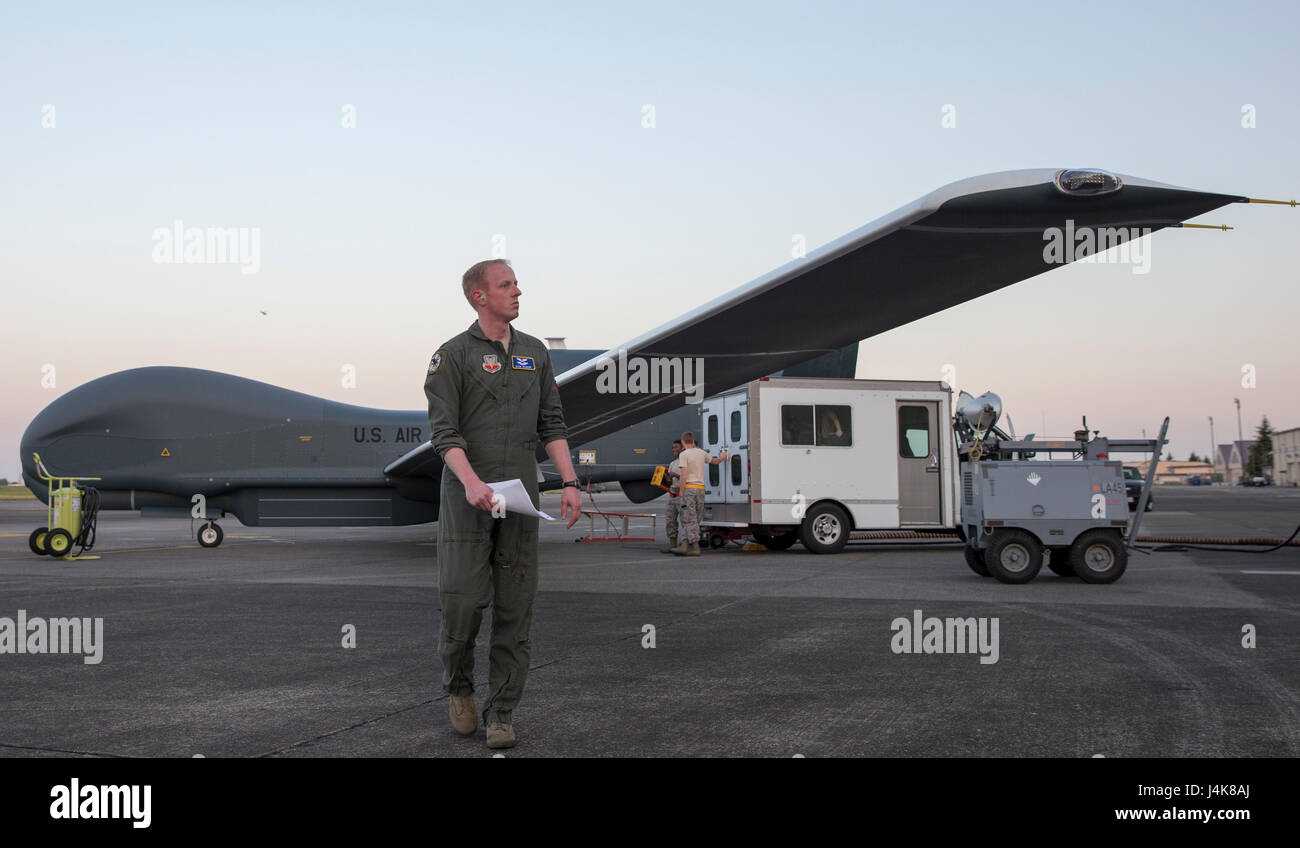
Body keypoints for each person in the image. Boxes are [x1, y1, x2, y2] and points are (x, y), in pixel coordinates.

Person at [424, 258, 583, 750]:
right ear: (479, 296)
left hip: (520, 500)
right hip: (468, 497)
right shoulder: (451, 356)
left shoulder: (535, 353)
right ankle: (458, 687)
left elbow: (551, 423)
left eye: (515, 283)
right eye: (506, 284)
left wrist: (571, 482)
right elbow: (443, 433)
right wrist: (471, 482)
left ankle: (502, 713)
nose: (518, 291)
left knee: (516, 608)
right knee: (464, 602)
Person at [670, 432, 728, 556]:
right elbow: (715, 461)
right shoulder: (701, 453)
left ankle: (695, 547)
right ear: (693, 441)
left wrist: (681, 491)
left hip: (689, 489)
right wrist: (723, 457)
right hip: (701, 489)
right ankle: (686, 545)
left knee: (688, 518)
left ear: (684, 442)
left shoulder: (684, 454)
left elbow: (684, 474)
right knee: (696, 518)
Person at [660, 440, 683, 554]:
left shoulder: (686, 462)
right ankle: (672, 543)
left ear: (682, 448)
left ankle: (687, 544)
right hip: (673, 494)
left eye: (676, 447)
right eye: (673, 447)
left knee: (686, 521)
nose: (674, 449)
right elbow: (670, 482)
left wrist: (676, 475)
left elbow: (688, 478)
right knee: (670, 520)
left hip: (682, 494)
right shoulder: (672, 464)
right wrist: (665, 478)